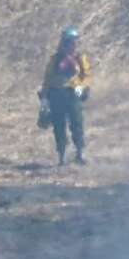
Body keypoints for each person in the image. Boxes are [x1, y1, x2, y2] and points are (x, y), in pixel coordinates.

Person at [39, 26, 92, 166]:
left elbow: (86, 76)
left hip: (73, 93)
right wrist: (44, 98)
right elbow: (47, 78)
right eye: (69, 42)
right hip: (56, 94)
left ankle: (80, 153)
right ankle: (61, 155)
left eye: (74, 42)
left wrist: (81, 88)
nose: (72, 45)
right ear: (63, 42)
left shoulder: (80, 58)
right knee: (59, 126)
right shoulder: (55, 59)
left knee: (77, 124)